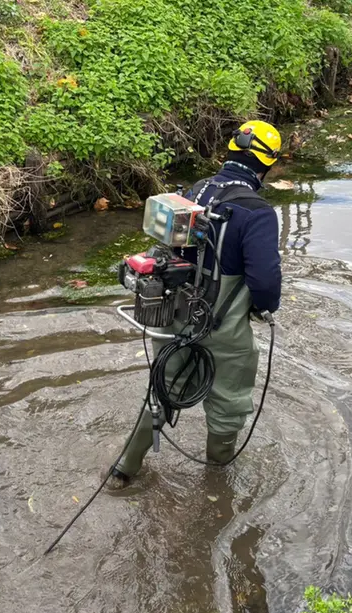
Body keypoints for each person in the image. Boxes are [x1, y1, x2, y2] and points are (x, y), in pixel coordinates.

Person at [108, 121, 283, 488]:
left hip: (173, 316)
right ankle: (215, 488)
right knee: (228, 405)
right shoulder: (258, 212)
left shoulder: (196, 191)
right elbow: (265, 282)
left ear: (231, 152)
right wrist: (264, 308)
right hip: (223, 330)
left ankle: (124, 468)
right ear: (267, 164)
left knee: (162, 388)